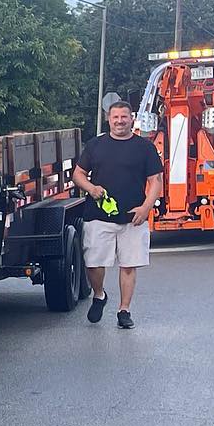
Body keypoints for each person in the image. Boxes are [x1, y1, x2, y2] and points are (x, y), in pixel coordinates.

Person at [71, 101, 164, 329]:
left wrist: (146, 208)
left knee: (129, 265)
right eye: (116, 117)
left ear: (131, 119)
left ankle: (124, 310)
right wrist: (91, 189)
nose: (120, 121)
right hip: (98, 216)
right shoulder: (95, 145)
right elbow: (78, 174)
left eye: (124, 117)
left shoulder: (145, 147)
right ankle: (99, 295)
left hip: (133, 217)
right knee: (93, 264)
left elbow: (156, 181)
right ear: (108, 119)